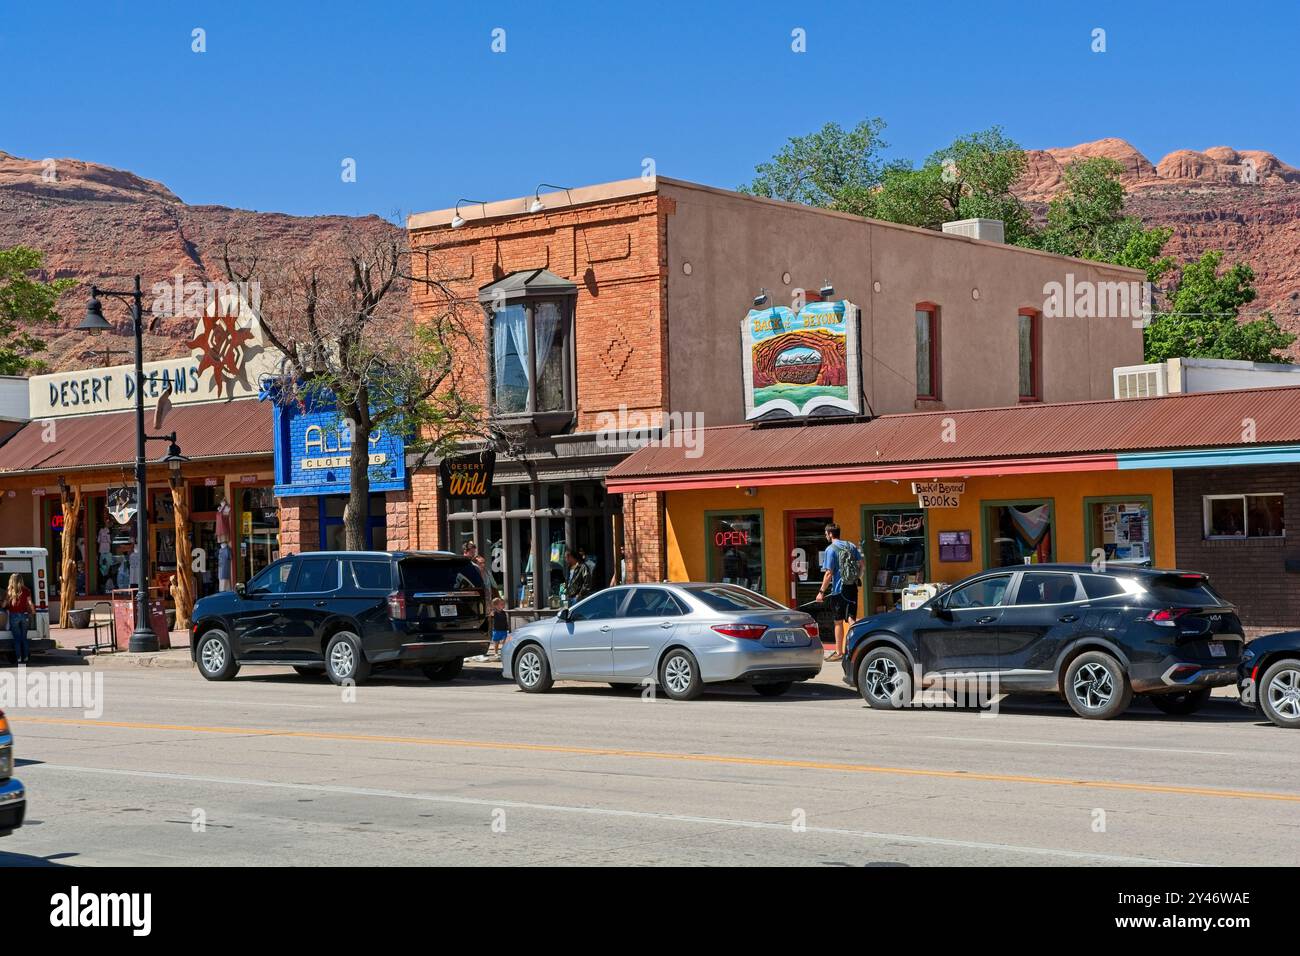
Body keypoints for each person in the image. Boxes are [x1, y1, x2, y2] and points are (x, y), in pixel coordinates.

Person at [815, 522, 861, 663]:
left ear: (830, 534)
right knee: (852, 619)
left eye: (826, 533)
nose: (825, 535)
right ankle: (856, 649)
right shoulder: (851, 546)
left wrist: (821, 592)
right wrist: (857, 578)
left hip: (839, 590)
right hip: (852, 587)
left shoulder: (830, 549)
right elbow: (861, 564)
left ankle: (839, 651)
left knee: (838, 622)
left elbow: (829, 573)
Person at [4, 573, 33, 665]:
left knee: (17, 639)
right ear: (21, 580)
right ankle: (26, 658)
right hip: (24, 615)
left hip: (13, 616)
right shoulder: (26, 590)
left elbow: (4, 605)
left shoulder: (9, 591)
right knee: (24, 638)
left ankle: (19, 659)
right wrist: (33, 612)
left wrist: (4, 604)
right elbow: (30, 602)